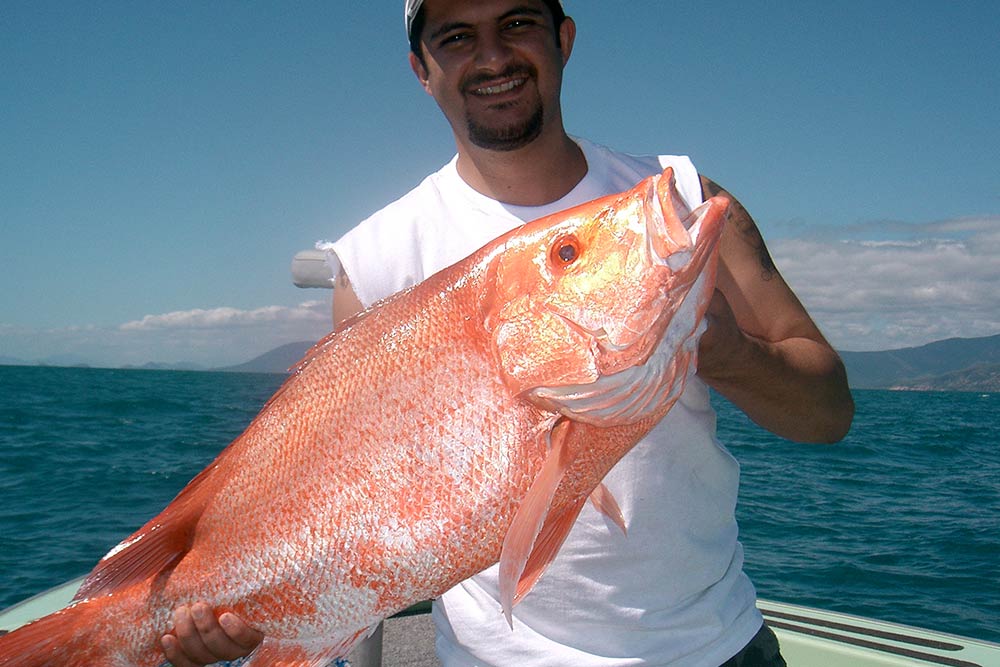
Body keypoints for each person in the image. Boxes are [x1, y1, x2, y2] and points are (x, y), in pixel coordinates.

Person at [161, 1, 854, 665]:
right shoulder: (376, 262)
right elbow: (359, 503)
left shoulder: (678, 201)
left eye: (518, 22)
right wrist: (247, 613)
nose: (492, 55)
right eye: (456, 36)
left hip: (715, 647)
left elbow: (829, 414)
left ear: (565, 39)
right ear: (420, 69)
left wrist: (725, 354)